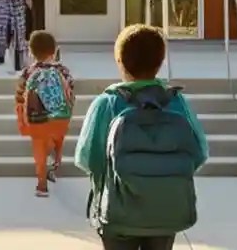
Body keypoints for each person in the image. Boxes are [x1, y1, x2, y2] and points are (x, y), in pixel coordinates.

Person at [75, 24, 209, 250]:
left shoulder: (107, 103)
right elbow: (199, 153)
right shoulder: (175, 102)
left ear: (119, 60)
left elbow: (87, 159)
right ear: (161, 61)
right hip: (166, 213)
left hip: (118, 215)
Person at [15, 30, 75, 197]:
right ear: (54, 50)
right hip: (60, 118)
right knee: (58, 141)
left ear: (31, 52)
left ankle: (41, 184)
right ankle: (54, 167)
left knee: (39, 147)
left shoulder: (28, 72)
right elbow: (71, 91)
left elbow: (20, 95)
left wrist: (22, 118)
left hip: (37, 119)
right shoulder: (63, 70)